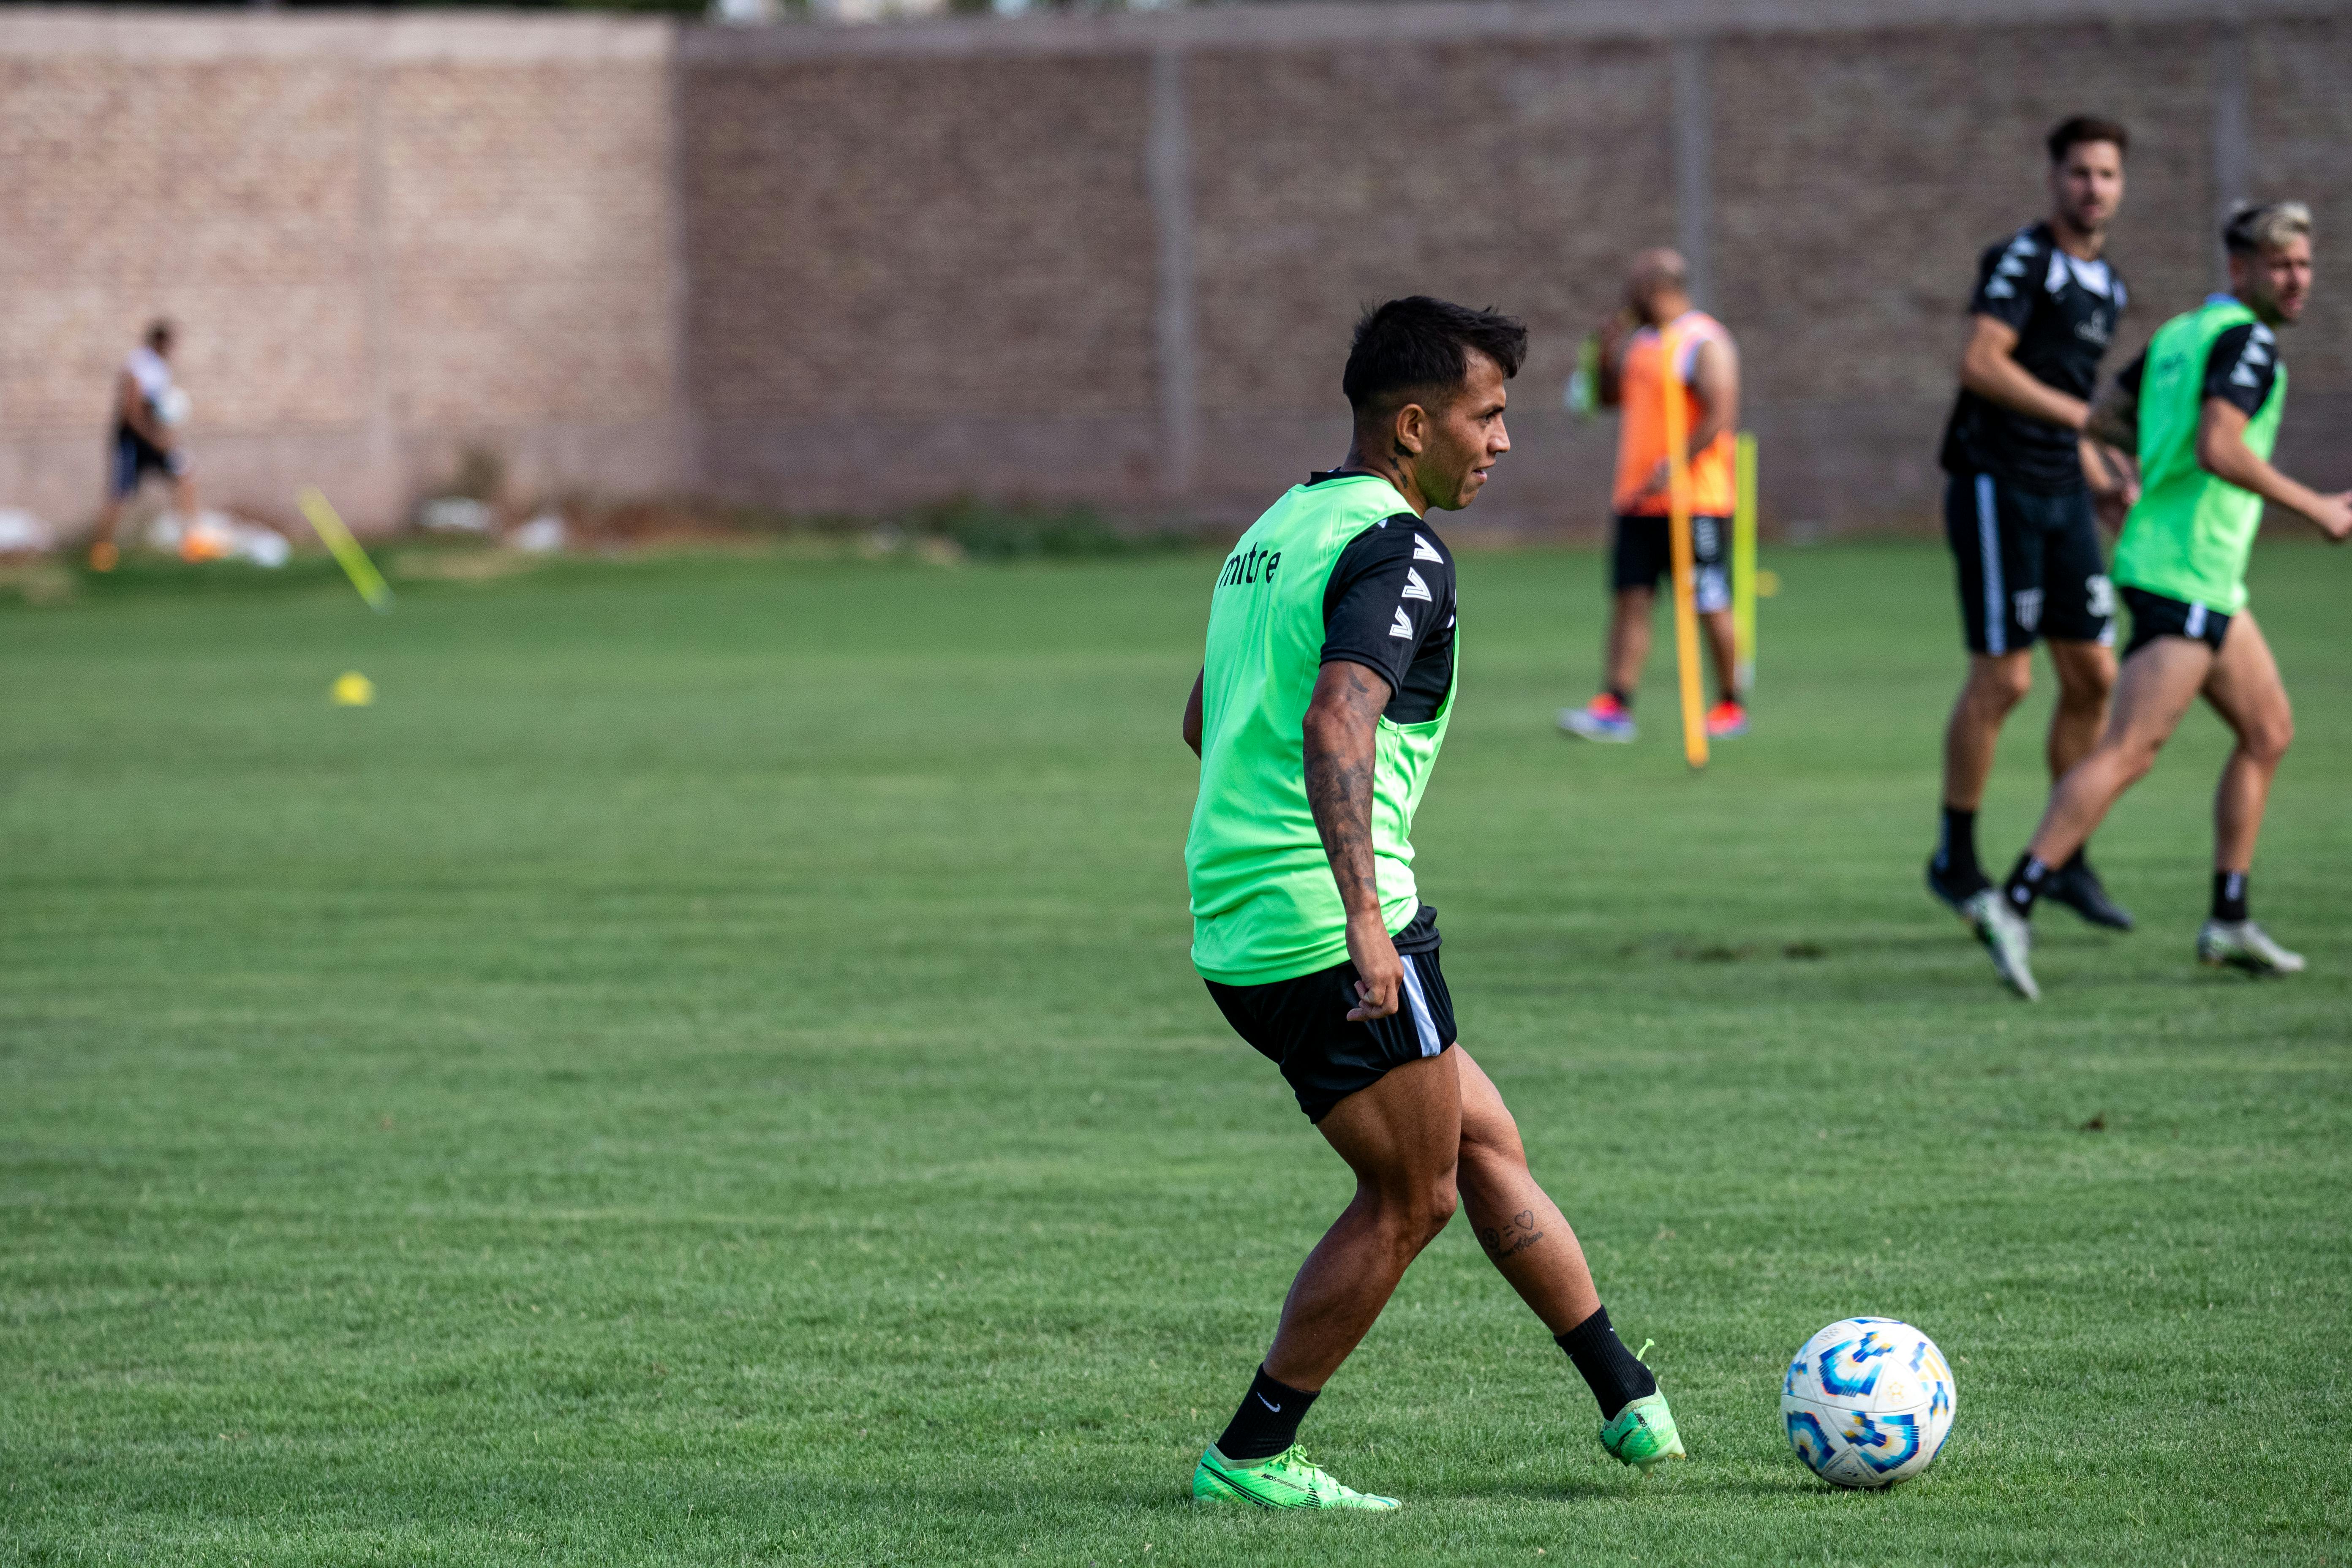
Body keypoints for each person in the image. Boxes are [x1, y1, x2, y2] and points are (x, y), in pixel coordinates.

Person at [1180, 297, 1681, 1511]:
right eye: (1486, 414)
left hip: (1242, 908)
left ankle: (1630, 1403)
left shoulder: (1279, 526)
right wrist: (1359, 916)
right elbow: (1337, 718)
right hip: (1328, 921)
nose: (1503, 439)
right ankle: (1252, 1456)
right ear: (1414, 426)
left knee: (1482, 1135)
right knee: (1417, 1193)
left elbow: (1207, 717)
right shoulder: (1399, 548)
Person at [1971, 202, 2349, 999]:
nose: (2296, 280)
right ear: (2239, 269)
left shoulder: (2180, 334)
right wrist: (2315, 506)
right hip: (2183, 572)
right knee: (2128, 750)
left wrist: (2128, 480)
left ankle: (2228, 918)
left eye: (2304, 264)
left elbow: (2105, 415)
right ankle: (2012, 901)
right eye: (2280, 265)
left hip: (2201, 572)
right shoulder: (2245, 341)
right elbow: (2218, 446)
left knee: (2267, 729)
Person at [1928, 118, 2141, 944]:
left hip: (2060, 488)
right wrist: (2087, 421)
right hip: (1996, 483)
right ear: (2055, 179)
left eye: (2107, 174)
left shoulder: (2109, 287)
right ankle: (1955, 855)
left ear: (2122, 187)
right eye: (2080, 172)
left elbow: (2068, 402)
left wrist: (2103, 475)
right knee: (2007, 680)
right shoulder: (2023, 262)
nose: (2093, 187)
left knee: (2094, 674)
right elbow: (1982, 363)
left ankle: (2064, 857)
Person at [1559, 248, 1747, 743]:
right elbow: (1605, 400)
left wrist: (1678, 464)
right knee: (1631, 598)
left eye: (1636, 290)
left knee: (1709, 600)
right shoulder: (1642, 343)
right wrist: (1604, 352)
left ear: (1662, 290)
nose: (1627, 300)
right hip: (1638, 499)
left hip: (1695, 499)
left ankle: (1730, 703)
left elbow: (1721, 411)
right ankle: (1615, 705)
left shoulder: (1702, 341)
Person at [88, 319, 199, 572]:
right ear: (159, 341)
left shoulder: (161, 369)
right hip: (132, 440)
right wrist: (154, 439)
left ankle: (191, 544)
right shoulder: (139, 364)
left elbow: (159, 412)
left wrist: (167, 440)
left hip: (153, 439)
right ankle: (101, 552)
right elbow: (132, 412)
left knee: (185, 475)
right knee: (119, 495)